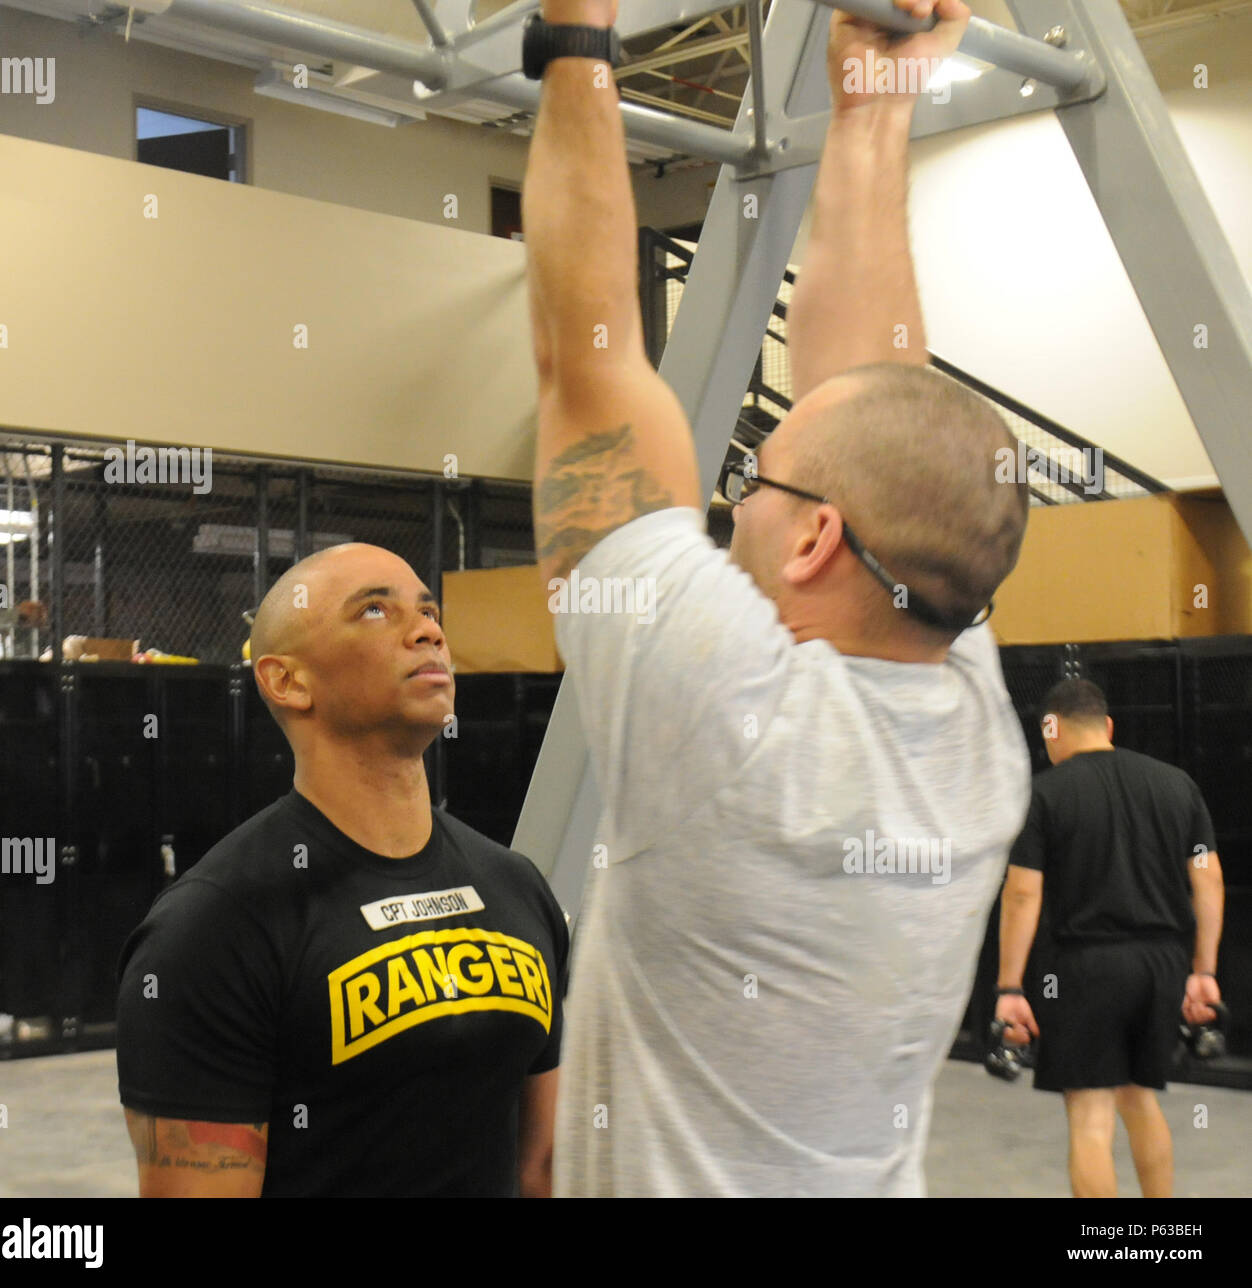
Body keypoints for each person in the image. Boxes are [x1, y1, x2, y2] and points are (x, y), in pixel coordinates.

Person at [521, 0, 1033, 1195]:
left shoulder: (726, 721)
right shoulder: (965, 715)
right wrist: (873, 106)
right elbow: (879, 397)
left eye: (757, 473)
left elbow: (585, 355)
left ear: (814, 540)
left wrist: (575, 37)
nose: (732, 491)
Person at [115, 543, 569, 1197]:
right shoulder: (212, 927)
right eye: (375, 610)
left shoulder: (516, 885)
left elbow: (547, 1163)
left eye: (429, 611)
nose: (429, 630)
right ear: (287, 681)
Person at [995, 678, 1225, 1198]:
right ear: (1109, 726)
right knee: (1139, 1098)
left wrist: (1009, 986)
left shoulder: (1044, 794)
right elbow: (1208, 878)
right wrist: (1204, 972)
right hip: (1161, 966)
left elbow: (1022, 895)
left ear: (1050, 731)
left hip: (1083, 969)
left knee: (1090, 1115)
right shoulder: (1176, 783)